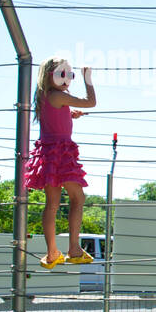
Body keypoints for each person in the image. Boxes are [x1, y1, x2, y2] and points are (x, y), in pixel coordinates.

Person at [25, 57, 96, 268]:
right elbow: (91, 102)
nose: (66, 80)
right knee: (78, 198)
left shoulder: (45, 95)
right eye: (61, 74)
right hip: (61, 151)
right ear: (49, 76)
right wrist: (88, 80)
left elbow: (55, 116)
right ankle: (74, 248)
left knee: (52, 205)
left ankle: (52, 252)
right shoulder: (58, 95)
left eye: (70, 75)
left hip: (47, 153)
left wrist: (69, 114)